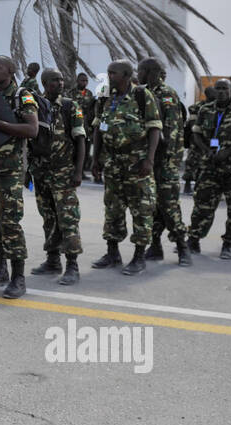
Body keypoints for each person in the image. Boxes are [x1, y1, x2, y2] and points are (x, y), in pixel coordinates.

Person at [90, 60, 161, 276]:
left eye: (113, 73)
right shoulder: (105, 96)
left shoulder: (142, 95)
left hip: (136, 163)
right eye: (108, 72)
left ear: (127, 75)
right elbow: (98, 127)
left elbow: (154, 128)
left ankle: (139, 257)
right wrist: (95, 158)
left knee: (142, 210)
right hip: (113, 163)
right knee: (113, 209)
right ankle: (112, 253)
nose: (109, 76)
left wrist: (149, 160)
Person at [0, 55, 38, 298]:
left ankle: (18, 277)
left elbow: (32, 129)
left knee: (10, 222)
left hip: (9, 171)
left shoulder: (22, 96)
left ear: (10, 71)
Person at [187, 79, 231, 259]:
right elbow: (196, 133)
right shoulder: (205, 109)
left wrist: (228, 152)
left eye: (225, 88)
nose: (221, 92)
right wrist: (205, 150)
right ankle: (193, 240)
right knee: (202, 204)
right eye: (218, 88)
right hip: (210, 166)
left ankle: (228, 244)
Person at [31, 69, 86, 285]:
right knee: (48, 217)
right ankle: (52, 260)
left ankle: (72, 265)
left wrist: (78, 171)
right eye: (55, 80)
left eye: (62, 79)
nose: (61, 83)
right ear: (45, 83)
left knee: (68, 218)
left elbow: (80, 139)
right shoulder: (35, 104)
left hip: (63, 172)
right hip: (41, 172)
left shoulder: (69, 106)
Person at [139, 58, 191, 267]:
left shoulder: (166, 94)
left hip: (165, 161)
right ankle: (155, 246)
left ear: (150, 72)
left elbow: (171, 130)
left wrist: (162, 158)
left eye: (140, 71)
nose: (138, 74)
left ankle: (182, 248)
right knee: (152, 206)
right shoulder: (144, 92)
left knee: (169, 205)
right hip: (151, 158)